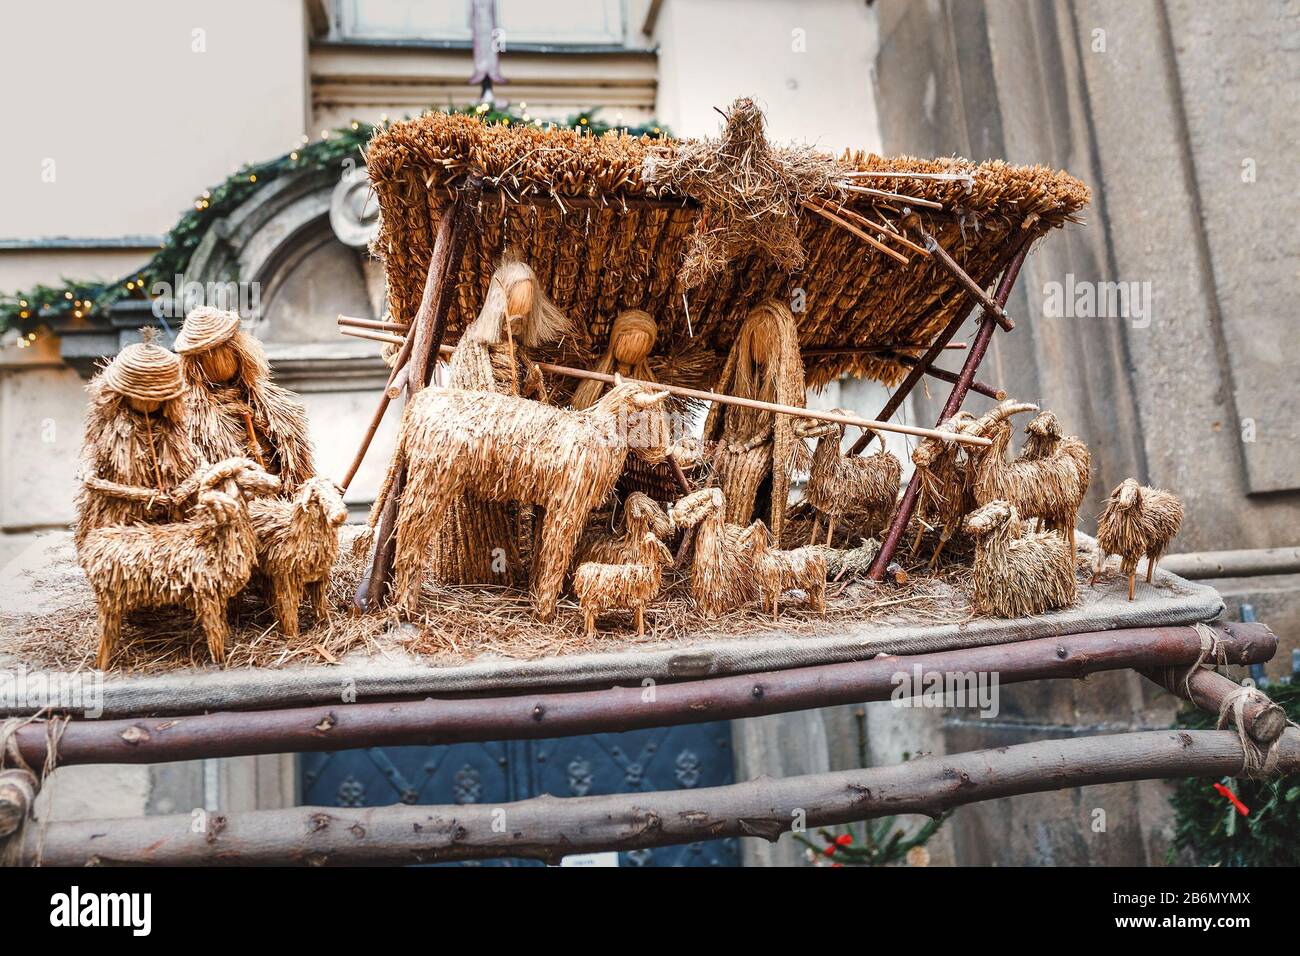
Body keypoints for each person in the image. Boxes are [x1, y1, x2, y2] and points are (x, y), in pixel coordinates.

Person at [74, 329, 198, 545]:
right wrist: (143, 495)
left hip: (173, 522)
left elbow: (200, 464)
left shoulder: (175, 427)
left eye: (158, 398)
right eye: (141, 398)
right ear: (122, 394)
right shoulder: (108, 428)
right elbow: (89, 477)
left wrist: (184, 489)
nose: (150, 404)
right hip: (119, 523)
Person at [173, 306, 315, 493]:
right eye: (208, 354)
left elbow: (294, 453)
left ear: (237, 347)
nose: (217, 360)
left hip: (281, 499)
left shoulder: (269, 403)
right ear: (194, 362)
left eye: (223, 349)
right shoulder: (190, 416)